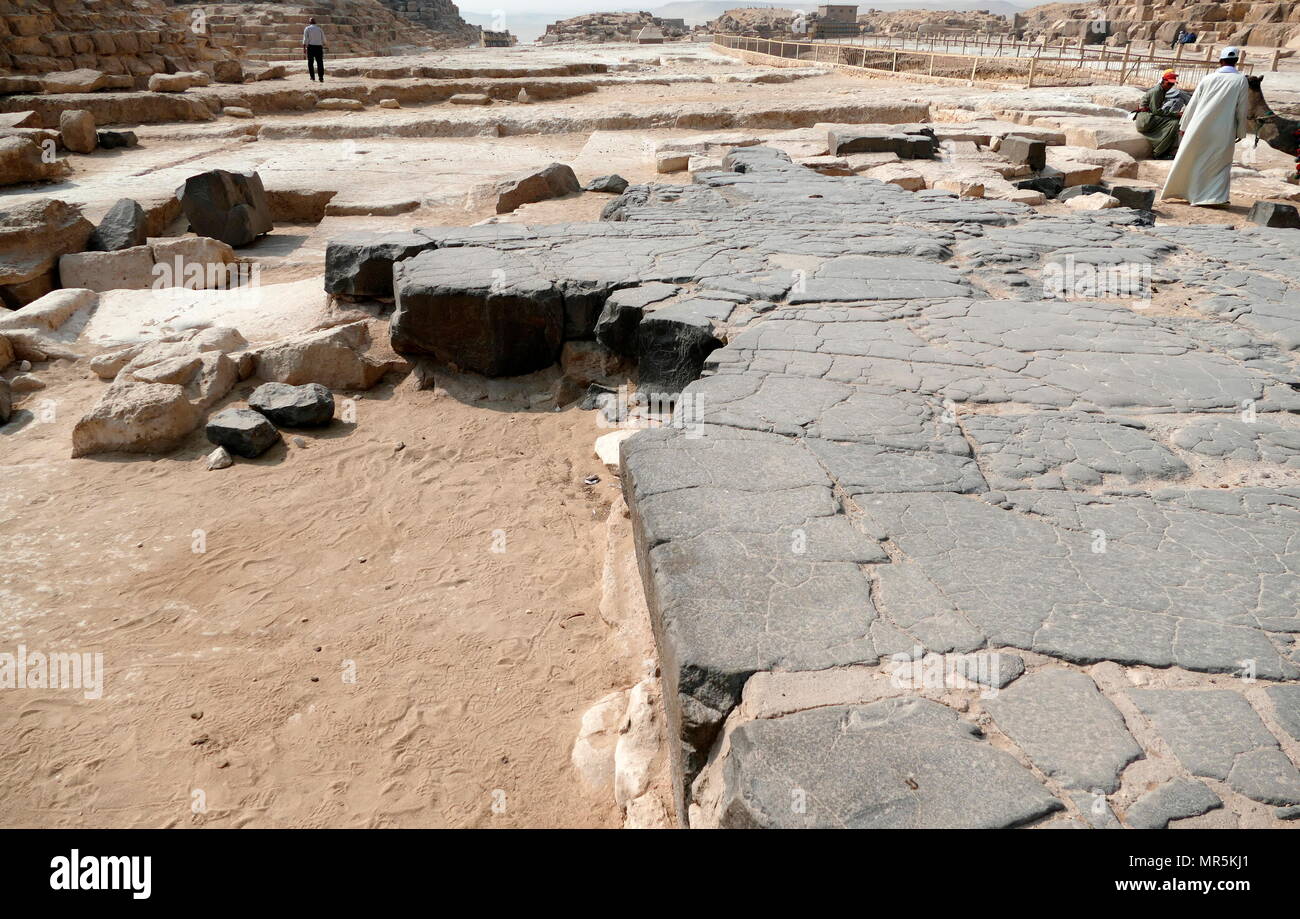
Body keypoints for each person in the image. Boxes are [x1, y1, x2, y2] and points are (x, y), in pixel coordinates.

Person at [1160, 47, 1249, 207]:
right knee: (1219, 163)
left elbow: (1193, 104)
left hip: (1198, 125)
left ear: (1220, 61)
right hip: (1224, 128)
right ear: (1236, 61)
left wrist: (1184, 125)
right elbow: (1242, 109)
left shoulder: (1208, 78)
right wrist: (1241, 131)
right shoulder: (1241, 80)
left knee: (1193, 159)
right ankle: (1214, 197)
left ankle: (1187, 192)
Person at [1135, 70, 1183, 159]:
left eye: (1172, 84)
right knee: (1174, 123)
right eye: (1169, 84)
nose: (1170, 86)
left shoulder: (1161, 90)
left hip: (1149, 117)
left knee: (1173, 121)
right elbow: (1156, 111)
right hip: (1145, 120)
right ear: (1163, 81)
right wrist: (1176, 114)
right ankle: (1159, 152)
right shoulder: (1157, 91)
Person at [303, 17, 326, 83]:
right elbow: (324, 39)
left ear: (309, 22)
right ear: (315, 22)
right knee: (320, 62)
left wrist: (304, 48)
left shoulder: (307, 28)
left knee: (310, 62)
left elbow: (305, 39)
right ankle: (321, 78)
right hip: (319, 47)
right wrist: (323, 44)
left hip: (311, 47)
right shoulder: (319, 29)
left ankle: (312, 77)